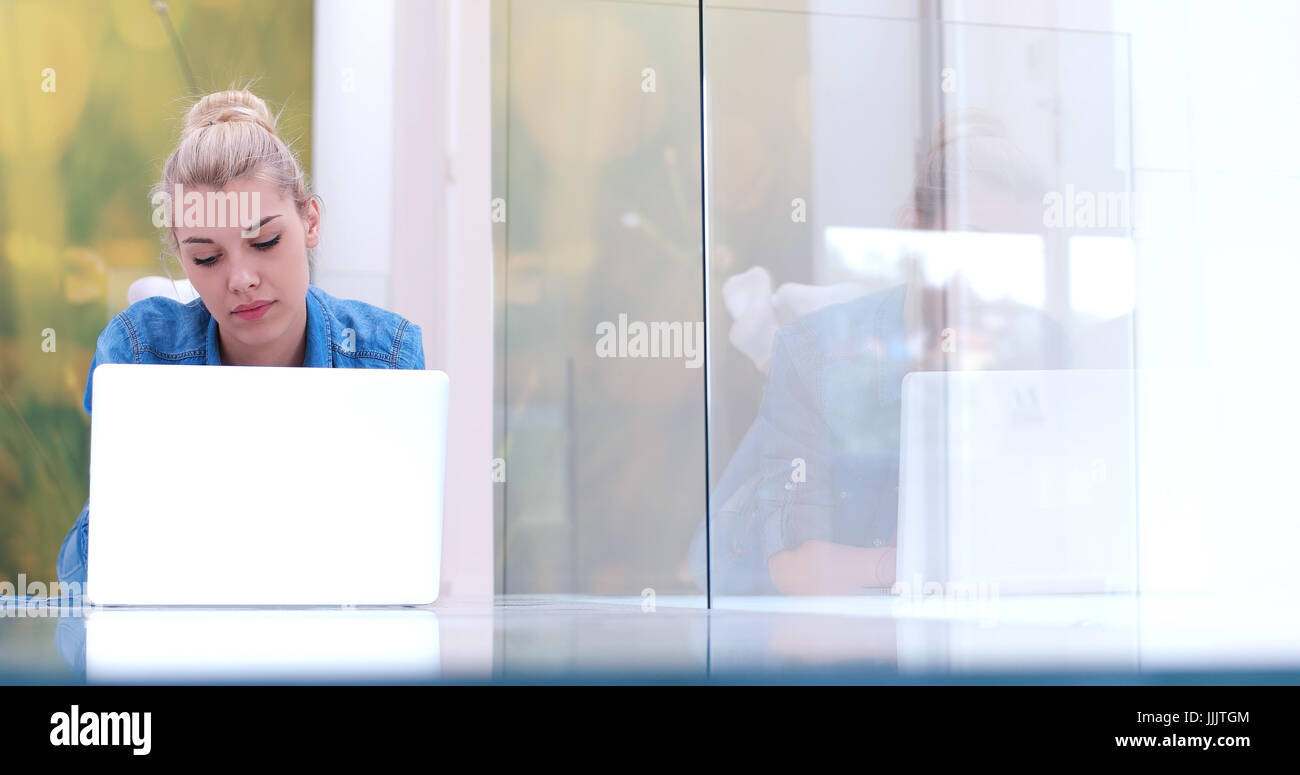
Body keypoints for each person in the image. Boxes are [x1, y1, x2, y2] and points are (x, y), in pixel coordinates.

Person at [56, 89, 426, 587]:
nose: (241, 279)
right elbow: (81, 579)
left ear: (310, 221)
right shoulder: (141, 353)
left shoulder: (385, 356)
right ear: (181, 256)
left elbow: (404, 569)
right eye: (207, 258)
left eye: (265, 241)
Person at [690, 110, 1071, 595]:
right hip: (819, 641)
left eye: (1017, 255)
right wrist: (918, 569)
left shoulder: (1041, 344)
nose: (991, 279)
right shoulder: (814, 350)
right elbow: (795, 566)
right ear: (912, 230)